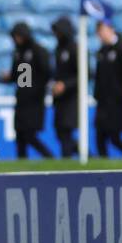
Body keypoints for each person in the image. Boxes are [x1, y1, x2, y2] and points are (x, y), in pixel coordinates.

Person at [1, 21, 52, 158]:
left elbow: (46, 72)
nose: (16, 39)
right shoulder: (18, 52)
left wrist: (38, 89)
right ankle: (21, 160)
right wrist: (8, 77)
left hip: (34, 100)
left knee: (29, 134)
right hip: (21, 97)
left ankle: (49, 156)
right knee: (19, 133)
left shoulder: (38, 51)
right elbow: (16, 75)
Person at [93, 19, 122, 158]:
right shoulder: (102, 51)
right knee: (99, 134)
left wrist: (121, 93)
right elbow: (98, 76)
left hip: (117, 102)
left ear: (110, 30)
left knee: (114, 136)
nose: (100, 35)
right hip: (103, 100)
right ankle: (102, 163)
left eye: (102, 31)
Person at [49, 16, 78, 158]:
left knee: (66, 130)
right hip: (59, 98)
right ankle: (79, 153)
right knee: (60, 131)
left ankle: (64, 158)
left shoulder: (74, 48)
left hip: (71, 97)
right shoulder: (58, 49)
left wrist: (65, 85)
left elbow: (84, 74)